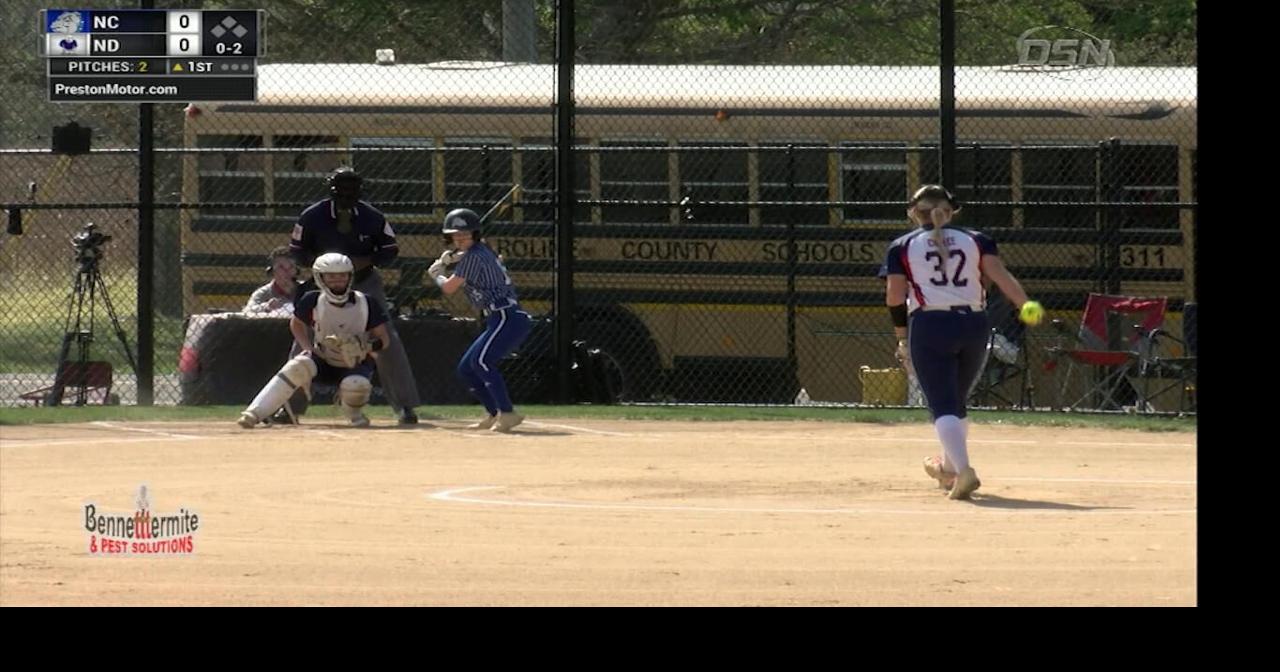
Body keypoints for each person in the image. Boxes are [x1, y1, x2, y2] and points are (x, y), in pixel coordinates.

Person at [882, 185, 1042, 500]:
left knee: (942, 403)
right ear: (952, 210)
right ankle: (948, 468)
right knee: (956, 400)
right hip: (974, 323)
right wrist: (1025, 305)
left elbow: (894, 296)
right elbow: (1001, 277)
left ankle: (964, 470)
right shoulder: (977, 240)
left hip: (930, 323)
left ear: (915, 212)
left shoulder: (902, 246)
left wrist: (902, 338)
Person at [289, 166, 421, 424]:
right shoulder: (312, 216)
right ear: (331, 189)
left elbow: (390, 249)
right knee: (304, 336)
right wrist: (323, 265)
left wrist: (365, 260)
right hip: (323, 284)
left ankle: (404, 405)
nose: (347, 194)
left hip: (364, 281)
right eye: (341, 189)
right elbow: (296, 249)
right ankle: (290, 405)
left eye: (352, 189)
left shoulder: (372, 217)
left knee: (387, 337)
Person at [237, 254, 393, 429]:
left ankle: (354, 414)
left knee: (356, 385)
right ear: (320, 278)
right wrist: (308, 348)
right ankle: (254, 413)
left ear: (350, 276)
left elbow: (384, 339)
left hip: (355, 363)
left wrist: (365, 346)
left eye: (342, 275)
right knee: (298, 365)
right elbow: (296, 324)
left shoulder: (367, 302)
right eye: (331, 276)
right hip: (323, 358)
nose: (337, 281)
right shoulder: (312, 300)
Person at [430, 208, 532, 433]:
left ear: (475, 235)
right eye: (456, 236)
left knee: (482, 362)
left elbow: (449, 287)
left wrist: (437, 273)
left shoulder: (475, 256)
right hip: (498, 318)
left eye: (465, 235)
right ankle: (493, 412)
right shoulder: (480, 250)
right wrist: (451, 257)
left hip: (507, 316)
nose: (460, 239)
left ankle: (507, 413)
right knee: (467, 368)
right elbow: (466, 254)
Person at [243, 246, 300, 316]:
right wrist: (266, 306)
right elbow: (247, 310)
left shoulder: (305, 289)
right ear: (272, 270)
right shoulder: (264, 292)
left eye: (291, 266)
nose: (287, 271)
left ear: (296, 270)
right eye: (281, 267)